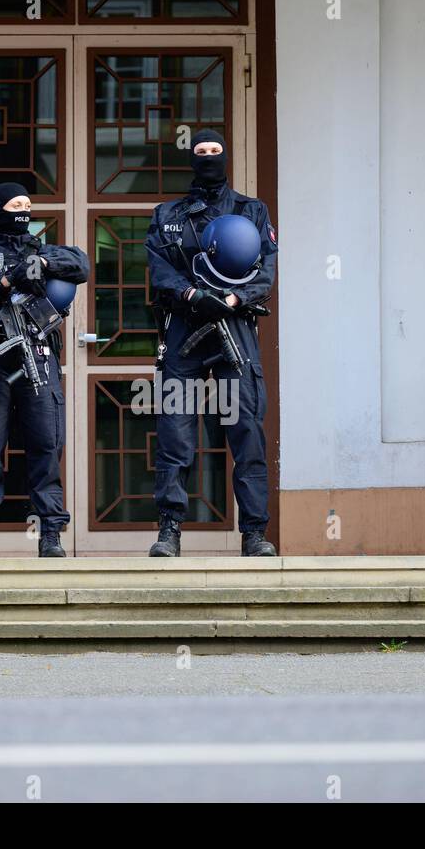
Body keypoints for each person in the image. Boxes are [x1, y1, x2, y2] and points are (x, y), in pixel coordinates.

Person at [143, 130, 279, 558]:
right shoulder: (168, 214)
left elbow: (267, 269)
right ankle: (169, 530)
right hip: (184, 330)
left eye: (214, 153)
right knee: (175, 435)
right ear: (190, 159)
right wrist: (189, 295)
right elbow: (158, 266)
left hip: (234, 328)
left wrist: (235, 298)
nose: (207, 159)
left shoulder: (251, 211)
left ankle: (254, 534)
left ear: (226, 157)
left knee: (246, 433)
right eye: (199, 153)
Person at [0, 183, 89, 559]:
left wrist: (43, 264)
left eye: (28, 205)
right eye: (15, 205)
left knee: (46, 445)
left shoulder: (41, 249)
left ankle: (50, 535)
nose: (23, 211)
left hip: (37, 358)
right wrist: (9, 279)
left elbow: (81, 264)